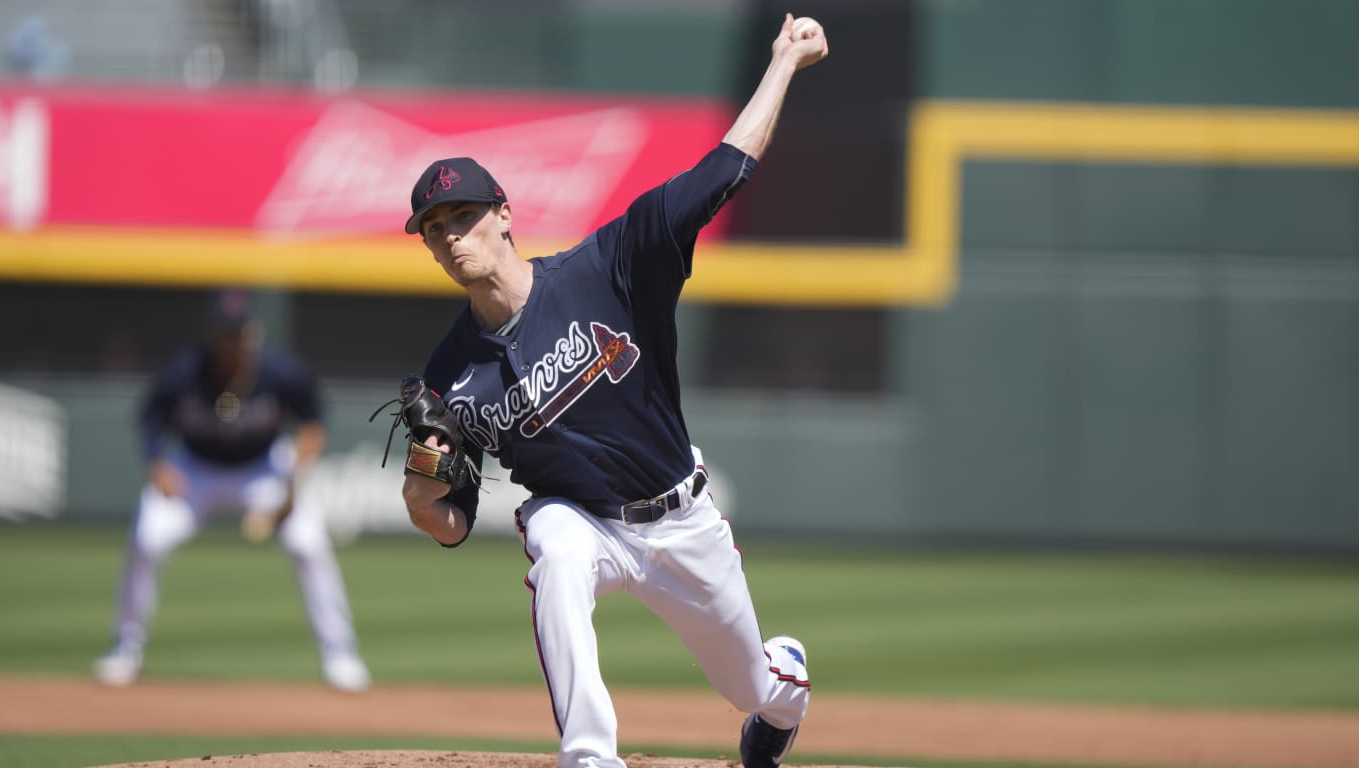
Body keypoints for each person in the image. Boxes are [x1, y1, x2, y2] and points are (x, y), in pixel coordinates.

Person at [396, 14, 828, 768]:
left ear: (504, 214)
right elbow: (450, 522)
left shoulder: (609, 265)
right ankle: (591, 756)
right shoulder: (449, 374)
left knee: (753, 687)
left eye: (463, 215)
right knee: (554, 544)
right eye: (435, 228)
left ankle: (782, 680)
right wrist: (419, 497)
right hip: (584, 522)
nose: (452, 235)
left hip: (680, 518)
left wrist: (784, 61)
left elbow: (725, 168)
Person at [95, 288, 371, 692]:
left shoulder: (279, 370)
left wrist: (296, 472)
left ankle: (340, 654)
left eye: (239, 332)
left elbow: (313, 422)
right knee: (148, 538)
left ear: (252, 332)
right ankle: (125, 649)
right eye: (225, 332)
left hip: (262, 469)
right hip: (195, 469)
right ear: (211, 333)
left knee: (308, 545)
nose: (233, 340)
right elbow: (151, 418)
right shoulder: (185, 370)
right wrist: (158, 465)